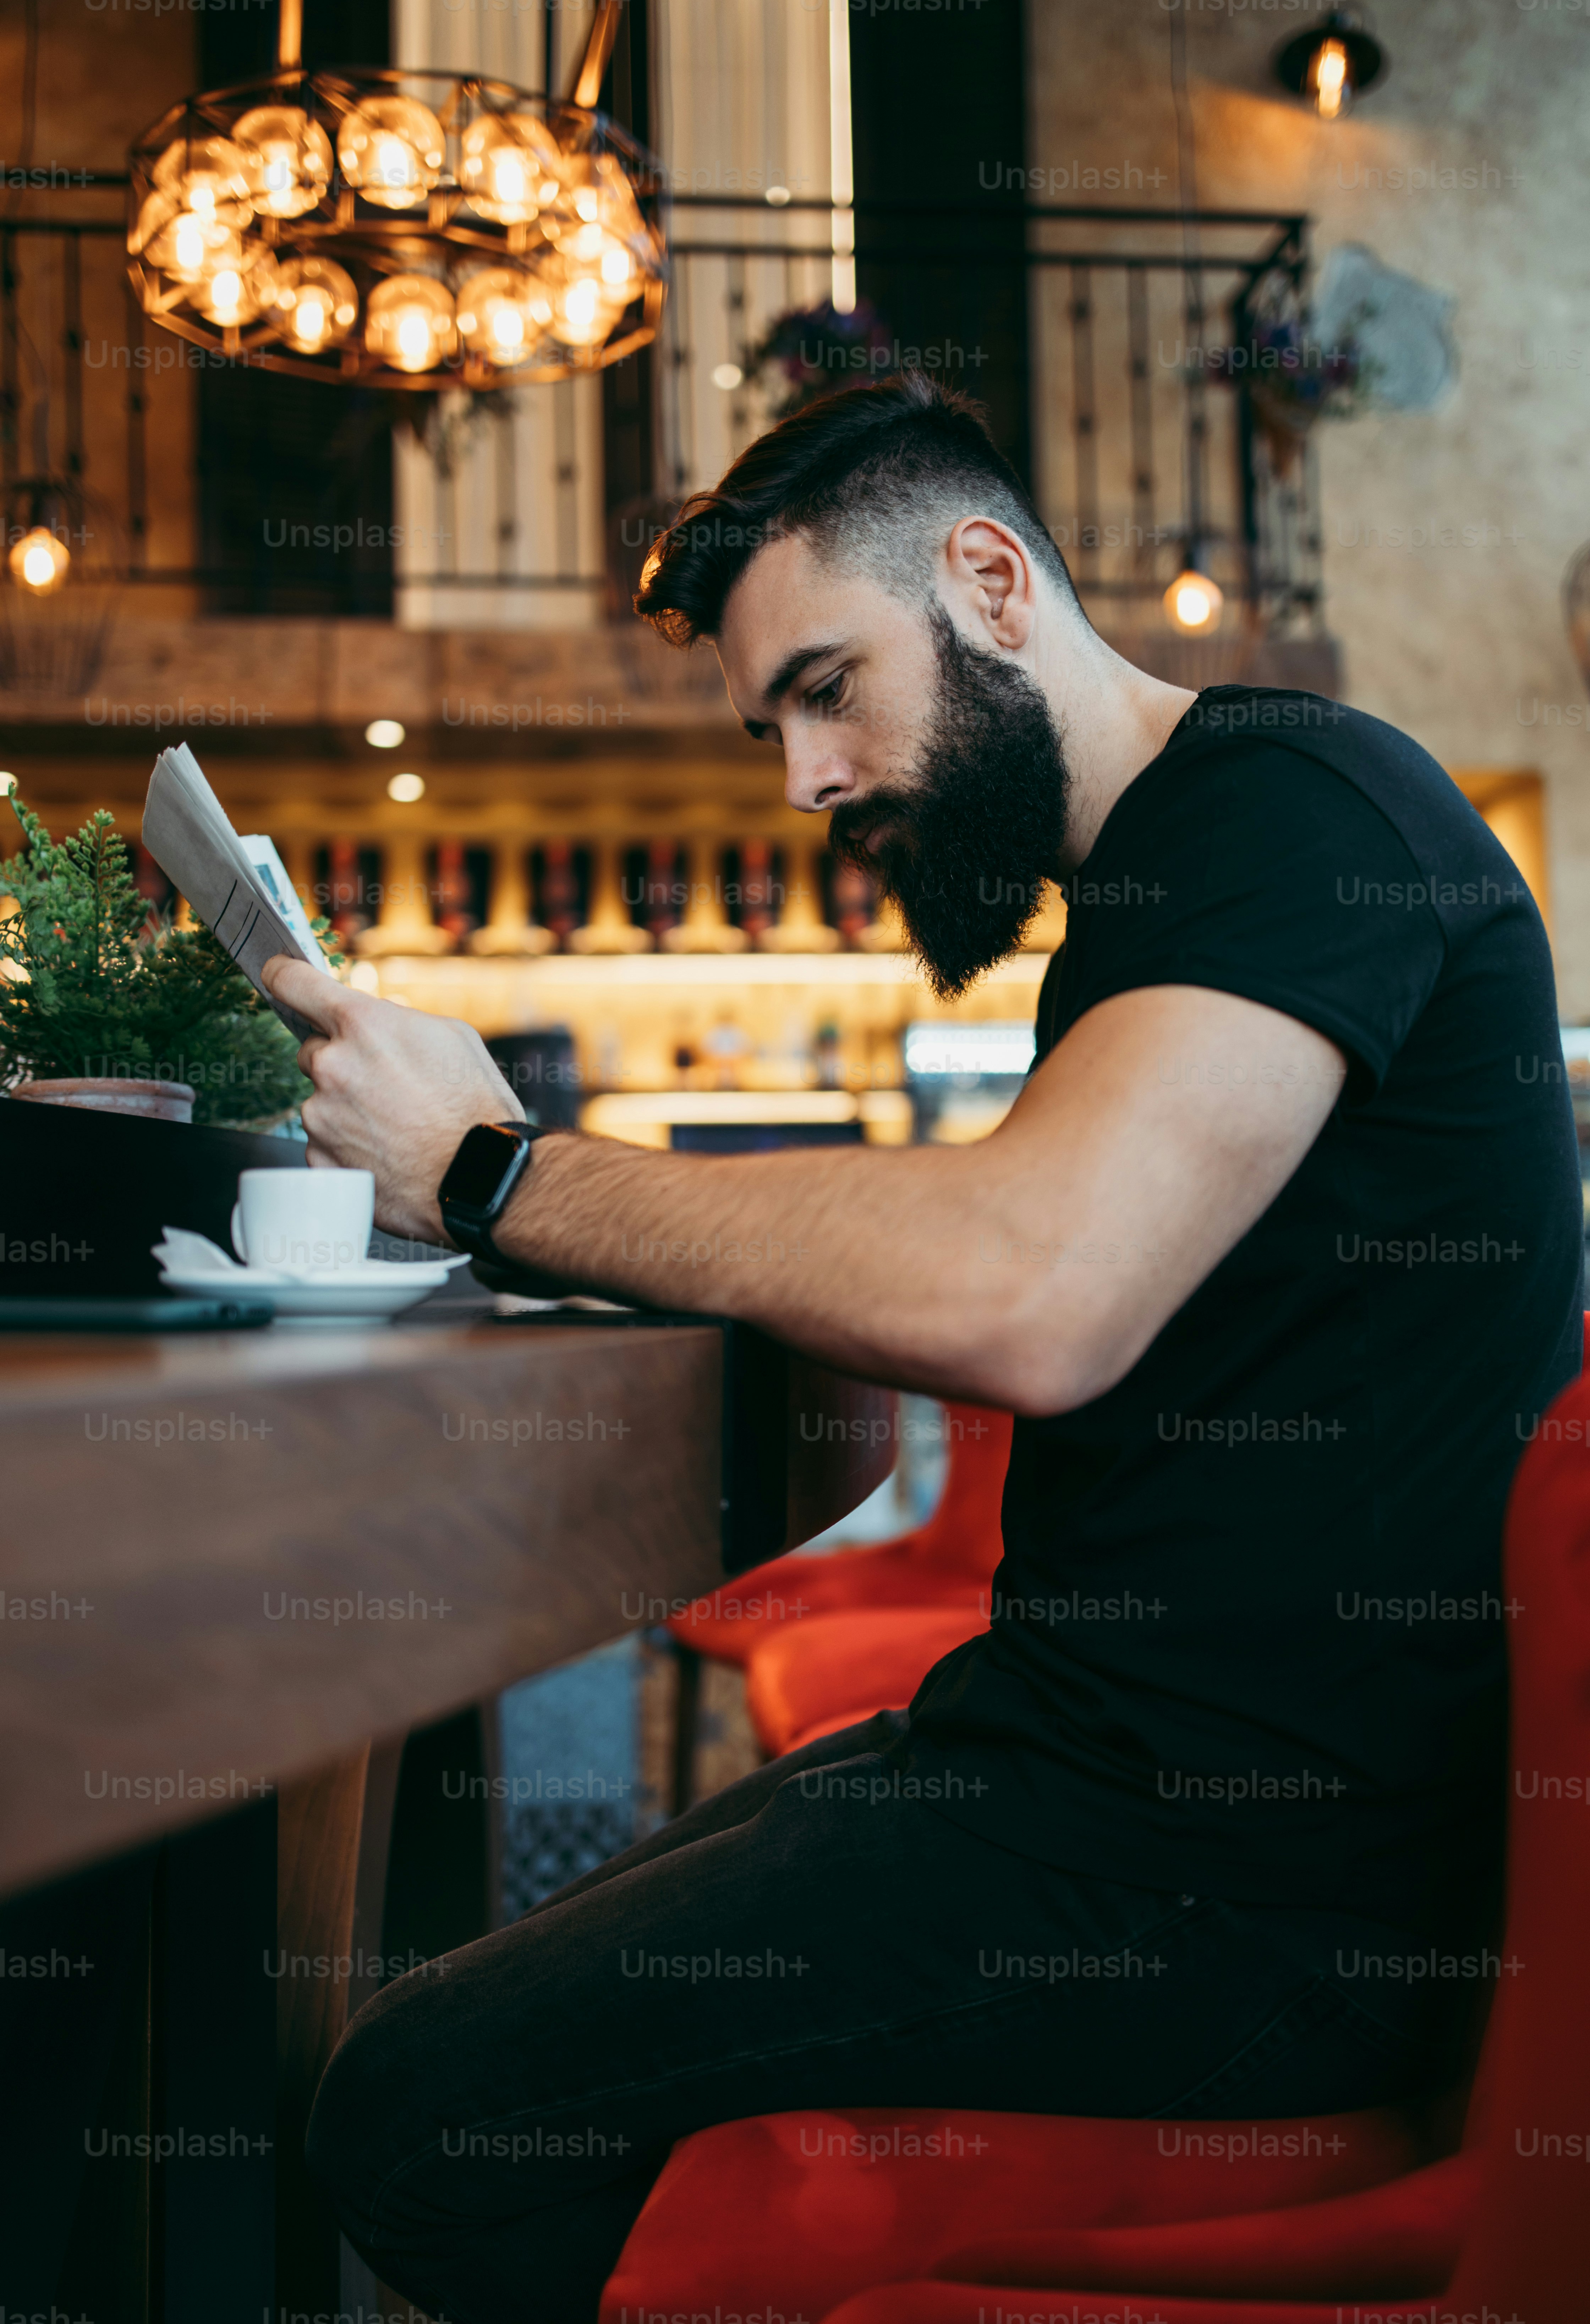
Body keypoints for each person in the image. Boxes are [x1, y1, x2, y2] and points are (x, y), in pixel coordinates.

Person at [270, 374, 1582, 2324]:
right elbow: (1004, 1235)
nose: (804, 778)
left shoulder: (1295, 808)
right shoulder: (1171, 874)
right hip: (1090, 1788)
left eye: (827, 685)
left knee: (416, 2105)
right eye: (769, 726)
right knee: (464, 2022)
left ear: (987, 576)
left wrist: (486, 1172)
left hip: (1238, 1894)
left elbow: (1032, 1286)